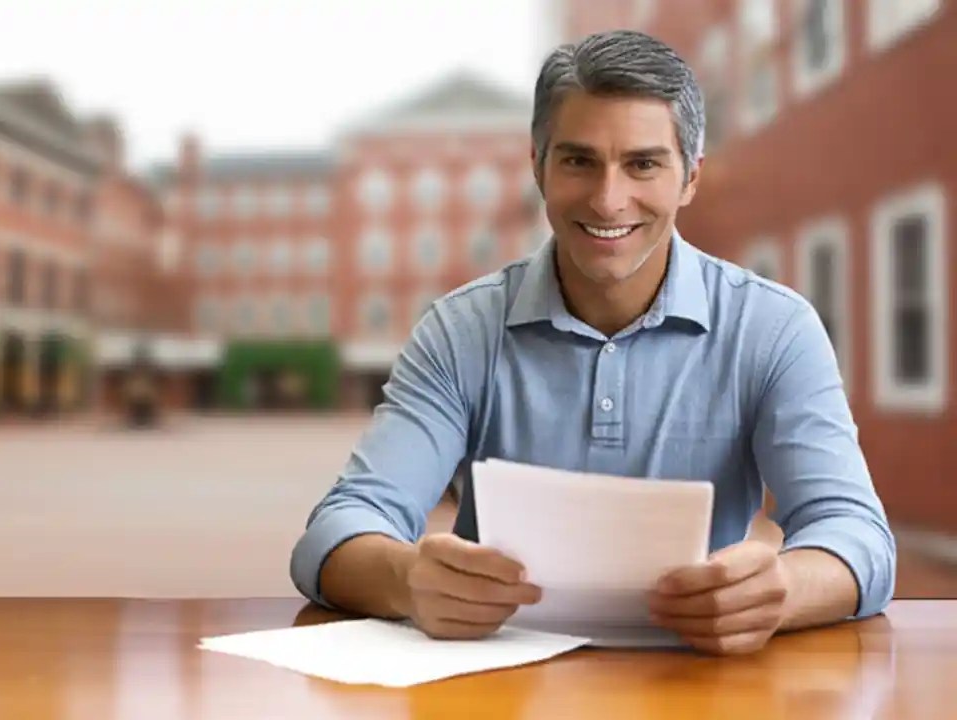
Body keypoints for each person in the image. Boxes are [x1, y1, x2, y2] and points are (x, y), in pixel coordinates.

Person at [289, 30, 895, 656]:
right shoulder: (459, 332)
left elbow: (857, 535)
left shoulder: (773, 328)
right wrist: (406, 580)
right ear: (538, 169)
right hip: (496, 685)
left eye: (643, 163)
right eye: (579, 161)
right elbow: (337, 530)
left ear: (689, 177)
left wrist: (783, 591)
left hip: (703, 680)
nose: (609, 200)